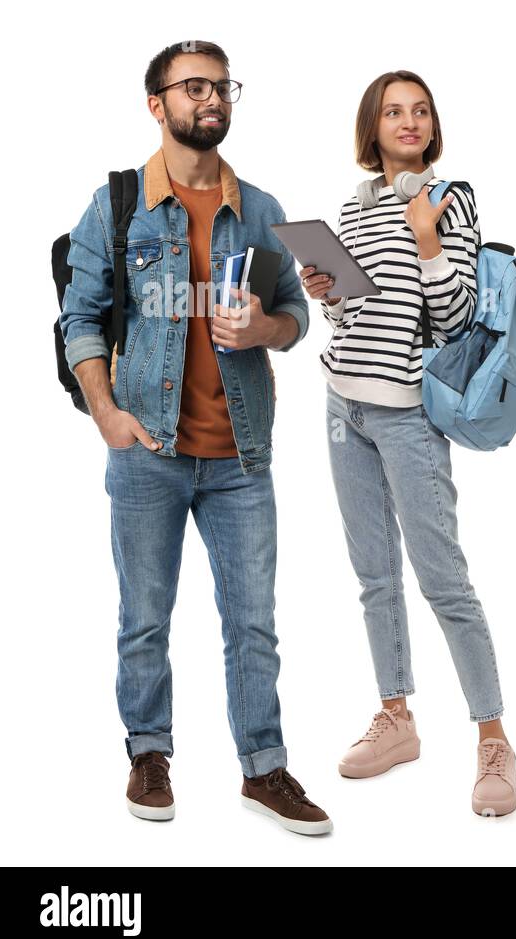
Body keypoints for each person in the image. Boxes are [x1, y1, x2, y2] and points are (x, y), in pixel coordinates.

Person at [59, 40, 330, 834]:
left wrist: (266, 328)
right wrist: (108, 416)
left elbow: (298, 317)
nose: (212, 98)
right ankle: (150, 752)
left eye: (222, 85)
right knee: (145, 614)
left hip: (242, 458)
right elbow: (78, 319)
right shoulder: (117, 205)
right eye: (195, 86)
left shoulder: (268, 210)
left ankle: (264, 768)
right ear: (158, 104)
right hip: (147, 449)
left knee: (254, 621)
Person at [300, 70, 516, 817]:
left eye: (420, 110)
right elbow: (351, 320)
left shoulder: (450, 199)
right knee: (373, 575)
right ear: (373, 125)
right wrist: (328, 295)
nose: (409, 120)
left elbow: (455, 317)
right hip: (342, 405)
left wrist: (427, 240)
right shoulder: (351, 208)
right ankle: (396, 718)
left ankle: (493, 737)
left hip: (406, 414)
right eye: (394, 110)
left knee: (444, 581)